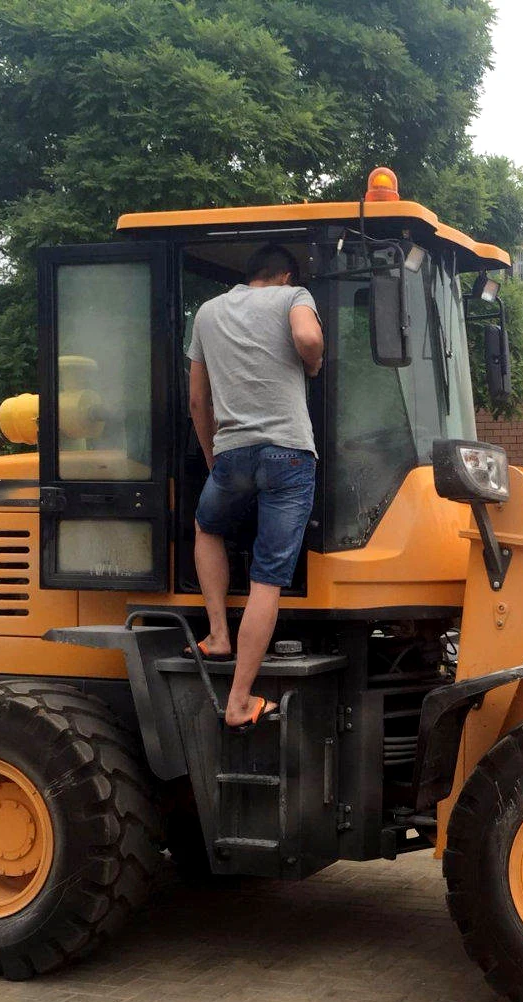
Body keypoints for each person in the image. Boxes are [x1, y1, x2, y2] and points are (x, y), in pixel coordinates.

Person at [187, 244, 324, 728]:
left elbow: (198, 402)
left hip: (233, 452)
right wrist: (311, 363)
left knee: (207, 528)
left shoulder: (207, 313)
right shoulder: (293, 297)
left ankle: (218, 634)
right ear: (284, 275)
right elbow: (308, 337)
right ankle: (239, 699)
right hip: (288, 452)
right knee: (267, 577)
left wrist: (213, 457)